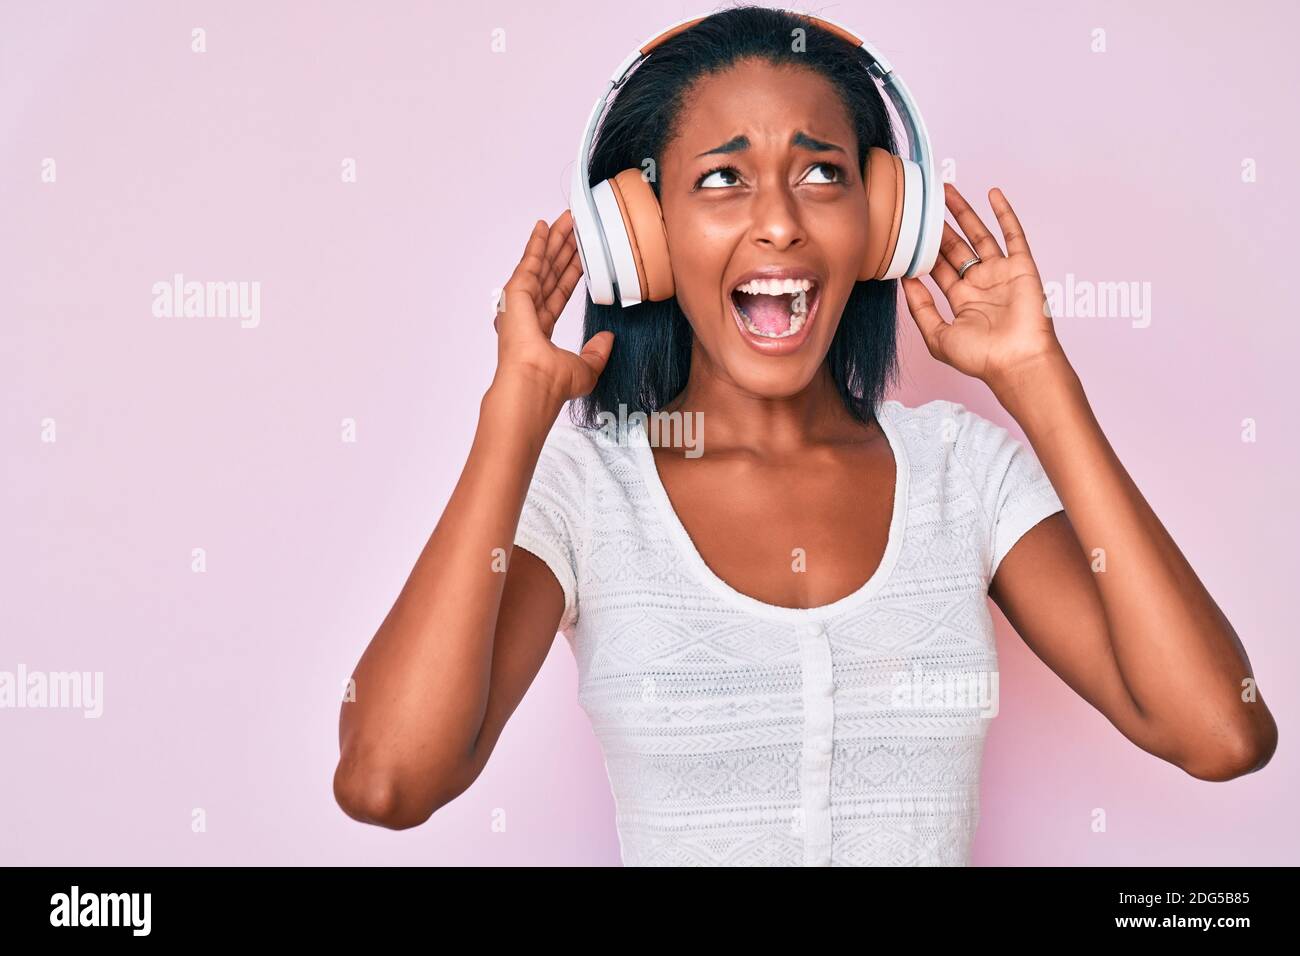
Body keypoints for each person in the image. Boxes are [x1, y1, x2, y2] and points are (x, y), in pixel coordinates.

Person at [333, 5, 1277, 866]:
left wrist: (1039, 382)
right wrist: (511, 423)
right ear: (644, 235)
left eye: (822, 172)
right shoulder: (586, 489)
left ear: (881, 222)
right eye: (723, 179)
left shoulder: (963, 473)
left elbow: (1219, 733)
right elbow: (390, 781)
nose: (779, 222)